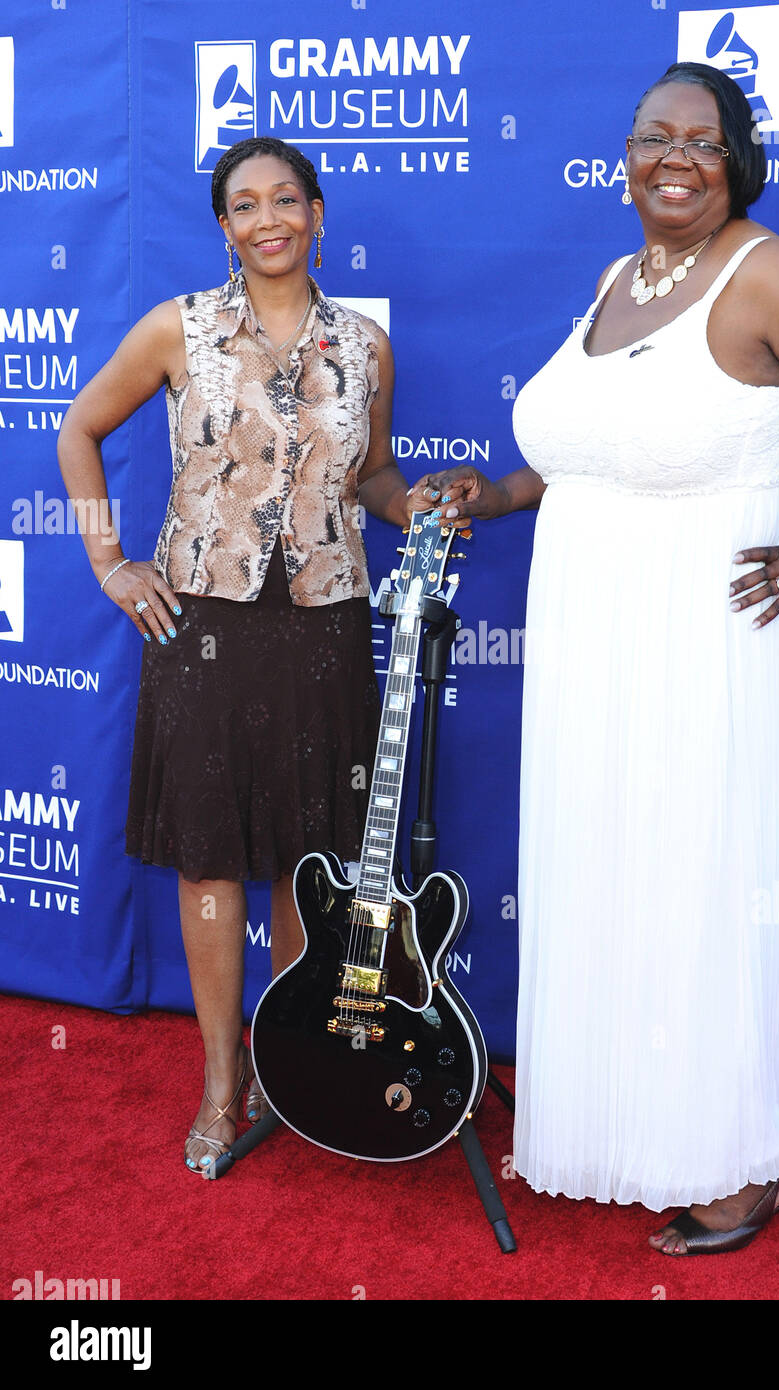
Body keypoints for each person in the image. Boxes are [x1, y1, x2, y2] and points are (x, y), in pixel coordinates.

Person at [414, 63, 779, 1254]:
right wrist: (498, 494)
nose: (674, 157)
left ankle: (743, 1159)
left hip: (695, 645)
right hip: (585, 638)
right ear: (623, 158)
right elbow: (599, 453)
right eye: (652, 136)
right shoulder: (622, 278)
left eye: (702, 142)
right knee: (602, 876)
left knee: (697, 888)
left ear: (739, 164)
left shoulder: (767, 273)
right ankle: (624, 1131)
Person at [58, 137, 428, 1174]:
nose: (267, 218)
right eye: (244, 204)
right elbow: (79, 428)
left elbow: (377, 477)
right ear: (224, 226)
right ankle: (224, 1082)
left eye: (285, 199)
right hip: (202, 628)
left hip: (324, 625)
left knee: (307, 866)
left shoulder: (364, 344)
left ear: (317, 212)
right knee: (213, 857)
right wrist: (109, 560)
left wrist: (422, 503)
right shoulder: (179, 329)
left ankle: (289, 1057)